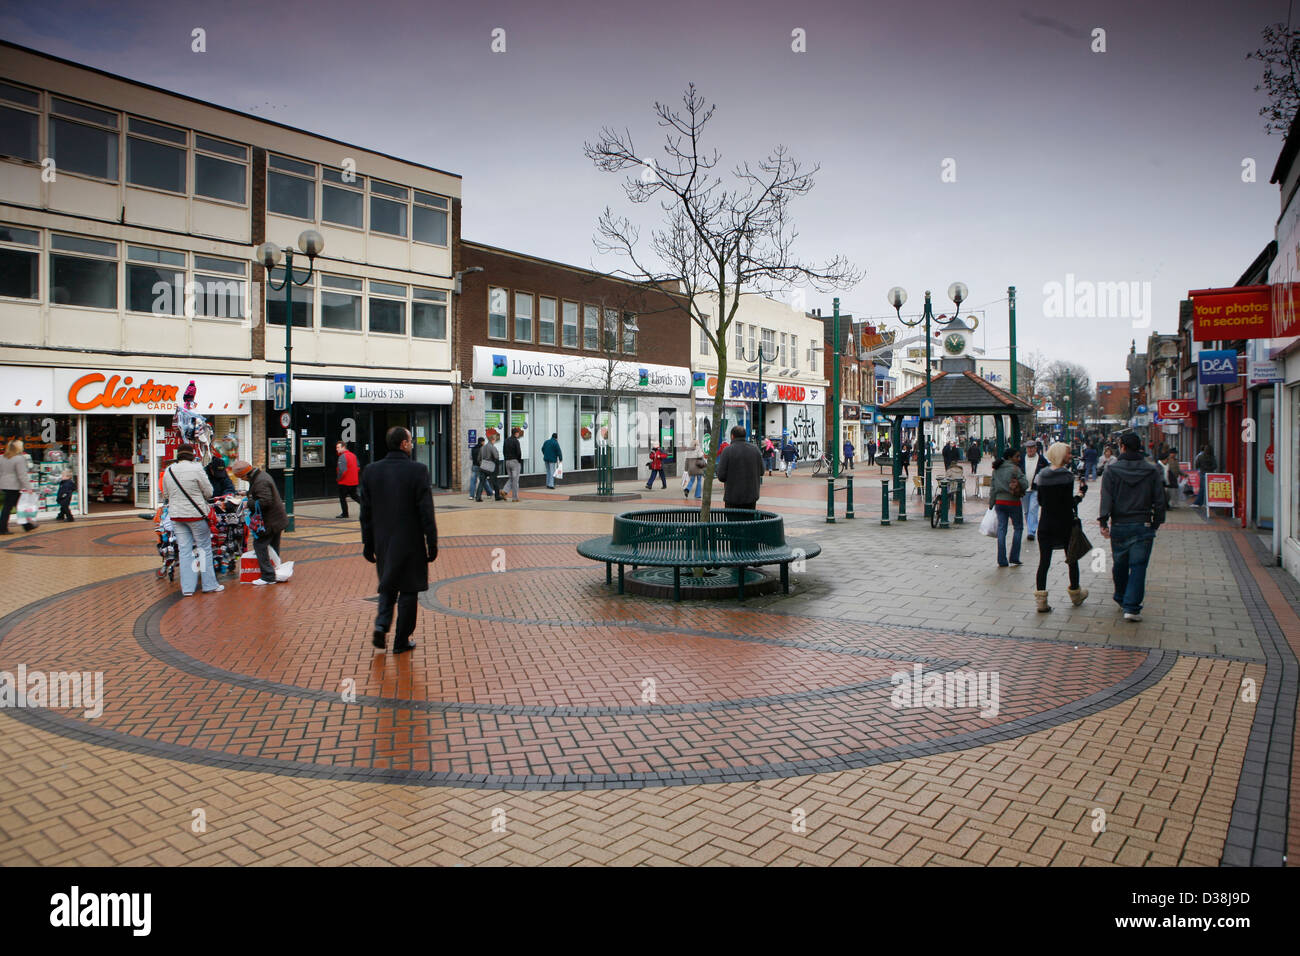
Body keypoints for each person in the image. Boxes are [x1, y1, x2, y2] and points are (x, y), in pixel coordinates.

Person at [359, 426, 438, 655]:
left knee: (388, 584)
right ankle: (401, 640)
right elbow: (426, 511)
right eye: (410, 441)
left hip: (383, 541)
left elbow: (366, 512)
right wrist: (431, 542)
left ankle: (382, 625)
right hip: (411, 541)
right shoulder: (418, 471)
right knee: (409, 590)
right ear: (403, 444)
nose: (412, 444)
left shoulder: (371, 471)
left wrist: (368, 542)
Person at [1099, 432, 1166, 622]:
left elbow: (1107, 498)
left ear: (1122, 447)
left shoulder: (1112, 470)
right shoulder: (1151, 470)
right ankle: (1132, 607)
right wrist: (1156, 521)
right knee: (1138, 567)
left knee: (1120, 564)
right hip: (1143, 523)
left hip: (1120, 524)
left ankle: (1121, 596)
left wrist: (1104, 521)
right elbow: (1159, 499)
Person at [1033, 442, 1089, 612]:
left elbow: (1041, 501)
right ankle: (1075, 593)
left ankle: (1041, 601)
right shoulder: (1067, 477)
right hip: (1064, 524)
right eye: (1068, 453)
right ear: (1061, 455)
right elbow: (1068, 504)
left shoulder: (1042, 476)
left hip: (1045, 524)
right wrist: (1080, 494)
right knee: (1072, 559)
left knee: (1044, 562)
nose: (1070, 456)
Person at [162, 447, 222, 596]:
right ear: (192, 456)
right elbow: (209, 492)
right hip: (196, 515)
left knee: (184, 551)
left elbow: (165, 493)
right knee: (204, 548)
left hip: (176, 515)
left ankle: (187, 588)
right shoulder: (197, 469)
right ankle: (209, 585)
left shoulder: (169, 470)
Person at [231, 459, 289, 587]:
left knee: (260, 545)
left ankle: (268, 576)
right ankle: (276, 571)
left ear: (245, 474)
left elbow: (265, 501)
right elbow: (261, 494)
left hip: (270, 521)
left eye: (241, 477)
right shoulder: (260, 476)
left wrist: (247, 503)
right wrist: (246, 493)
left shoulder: (260, 481)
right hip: (276, 519)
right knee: (273, 547)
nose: (242, 480)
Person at [991, 445, 1027, 568]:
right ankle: (1014, 557)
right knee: (1018, 528)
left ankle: (1002, 559)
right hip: (1013, 502)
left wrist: (991, 503)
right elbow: (1025, 484)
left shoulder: (996, 469)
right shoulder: (1015, 469)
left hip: (999, 502)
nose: (1019, 458)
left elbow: (993, 488)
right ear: (1010, 457)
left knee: (1002, 530)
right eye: (1017, 456)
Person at [715, 427, 763, 510]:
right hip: (751, 497)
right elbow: (761, 471)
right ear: (745, 436)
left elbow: (721, 476)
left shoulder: (727, 451)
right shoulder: (755, 450)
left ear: (732, 436)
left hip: (732, 497)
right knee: (748, 521)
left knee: (733, 521)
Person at [0, 439, 37, 534]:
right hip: (14, 486)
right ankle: (3, 528)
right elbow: (22, 475)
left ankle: (27, 526)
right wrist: (28, 487)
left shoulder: (2, 457)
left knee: (15, 506)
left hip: (4, 485)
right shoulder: (19, 458)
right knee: (9, 507)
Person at [1021, 441, 1047, 542]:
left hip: (1036, 489)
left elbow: (1046, 469)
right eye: (1028, 448)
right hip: (1024, 489)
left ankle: (1031, 531)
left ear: (1035, 448)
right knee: (1027, 511)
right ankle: (1030, 527)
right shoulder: (1022, 458)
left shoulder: (1041, 459)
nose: (1030, 450)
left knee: (1033, 509)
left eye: (1032, 448)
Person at [335, 440, 361, 518]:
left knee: (342, 498)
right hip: (353, 481)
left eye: (338, 447)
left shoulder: (342, 457)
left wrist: (338, 479)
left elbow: (342, 470)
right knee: (354, 496)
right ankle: (367, 506)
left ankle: (345, 513)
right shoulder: (353, 455)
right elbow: (358, 467)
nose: (337, 449)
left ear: (343, 447)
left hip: (344, 482)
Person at [476, 433, 503, 502]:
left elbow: (478, 459)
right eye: (495, 440)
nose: (495, 441)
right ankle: (497, 496)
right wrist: (496, 466)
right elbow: (496, 457)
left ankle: (478, 497)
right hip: (491, 467)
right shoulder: (492, 447)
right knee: (495, 482)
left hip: (483, 467)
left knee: (481, 482)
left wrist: (482, 464)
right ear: (492, 440)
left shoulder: (482, 448)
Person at [503, 427, 524, 502]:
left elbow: (504, 451)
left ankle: (504, 491)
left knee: (511, 478)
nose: (518, 434)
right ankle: (515, 498)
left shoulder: (506, 440)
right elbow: (519, 452)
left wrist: (506, 459)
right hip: (514, 462)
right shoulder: (516, 441)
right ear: (516, 433)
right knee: (515, 480)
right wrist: (519, 461)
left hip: (507, 462)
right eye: (518, 433)